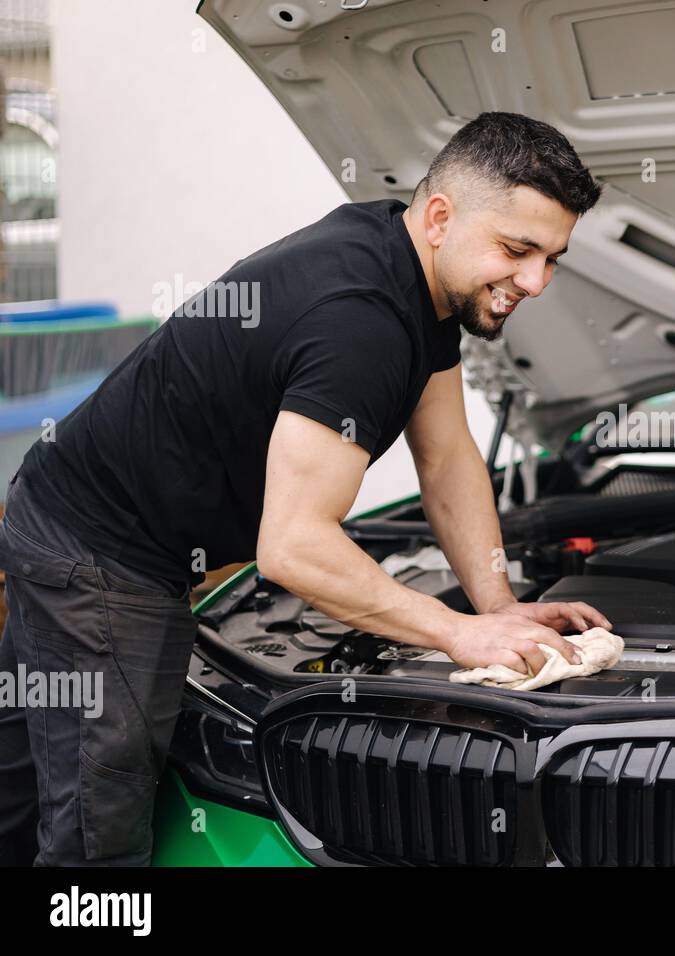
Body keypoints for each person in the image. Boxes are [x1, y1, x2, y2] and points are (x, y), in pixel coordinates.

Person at [0, 111, 611, 865]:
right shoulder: (360, 321)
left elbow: (448, 457)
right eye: (518, 251)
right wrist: (457, 631)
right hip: (101, 554)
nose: (536, 281)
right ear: (441, 216)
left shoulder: (412, 269)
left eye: (552, 257)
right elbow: (292, 548)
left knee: (24, 783)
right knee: (98, 829)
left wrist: (498, 604)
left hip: (69, 511)